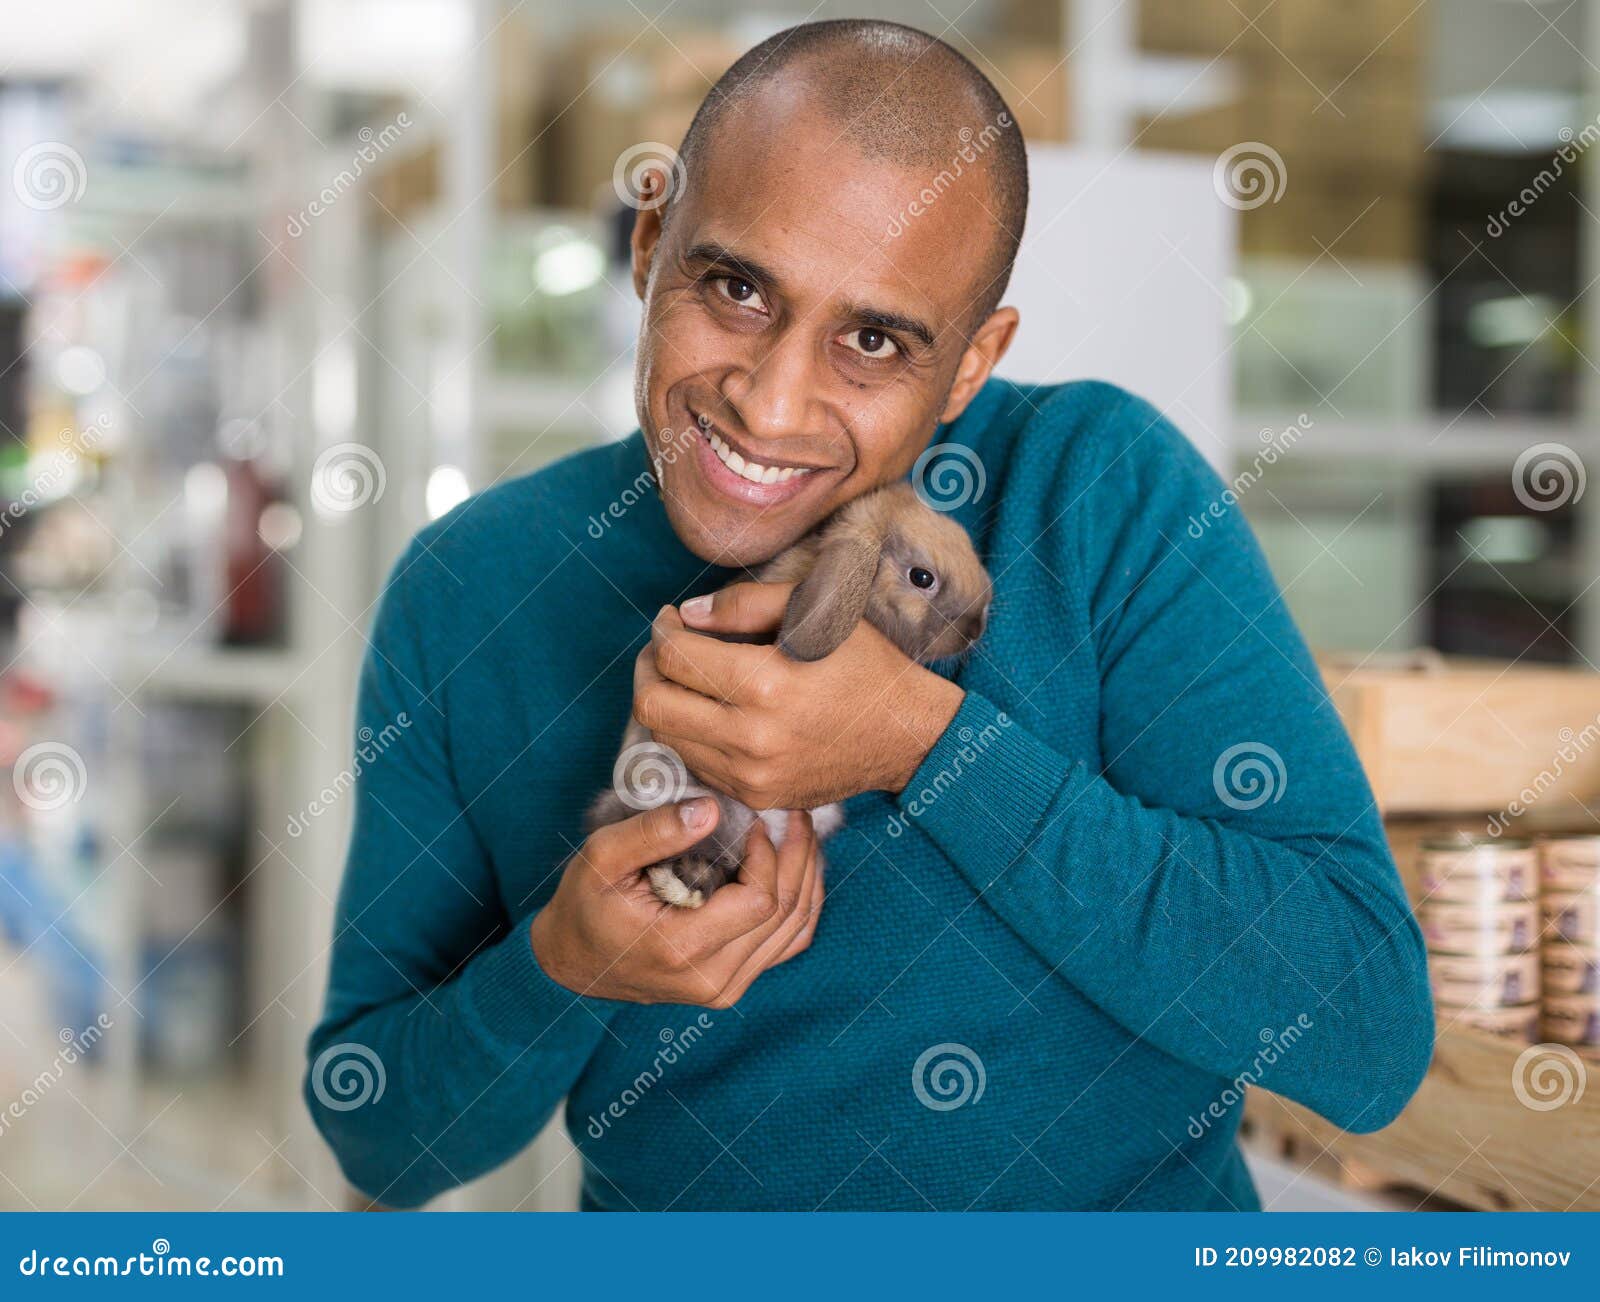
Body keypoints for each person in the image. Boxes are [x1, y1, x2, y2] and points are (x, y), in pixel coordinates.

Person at [305, 18, 1432, 1211]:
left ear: (970, 365)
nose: (771, 403)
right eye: (736, 288)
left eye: (874, 340)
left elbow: (1364, 1035)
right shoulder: (473, 585)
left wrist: (923, 744)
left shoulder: (1098, 490)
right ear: (647, 243)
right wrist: (560, 967)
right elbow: (380, 1139)